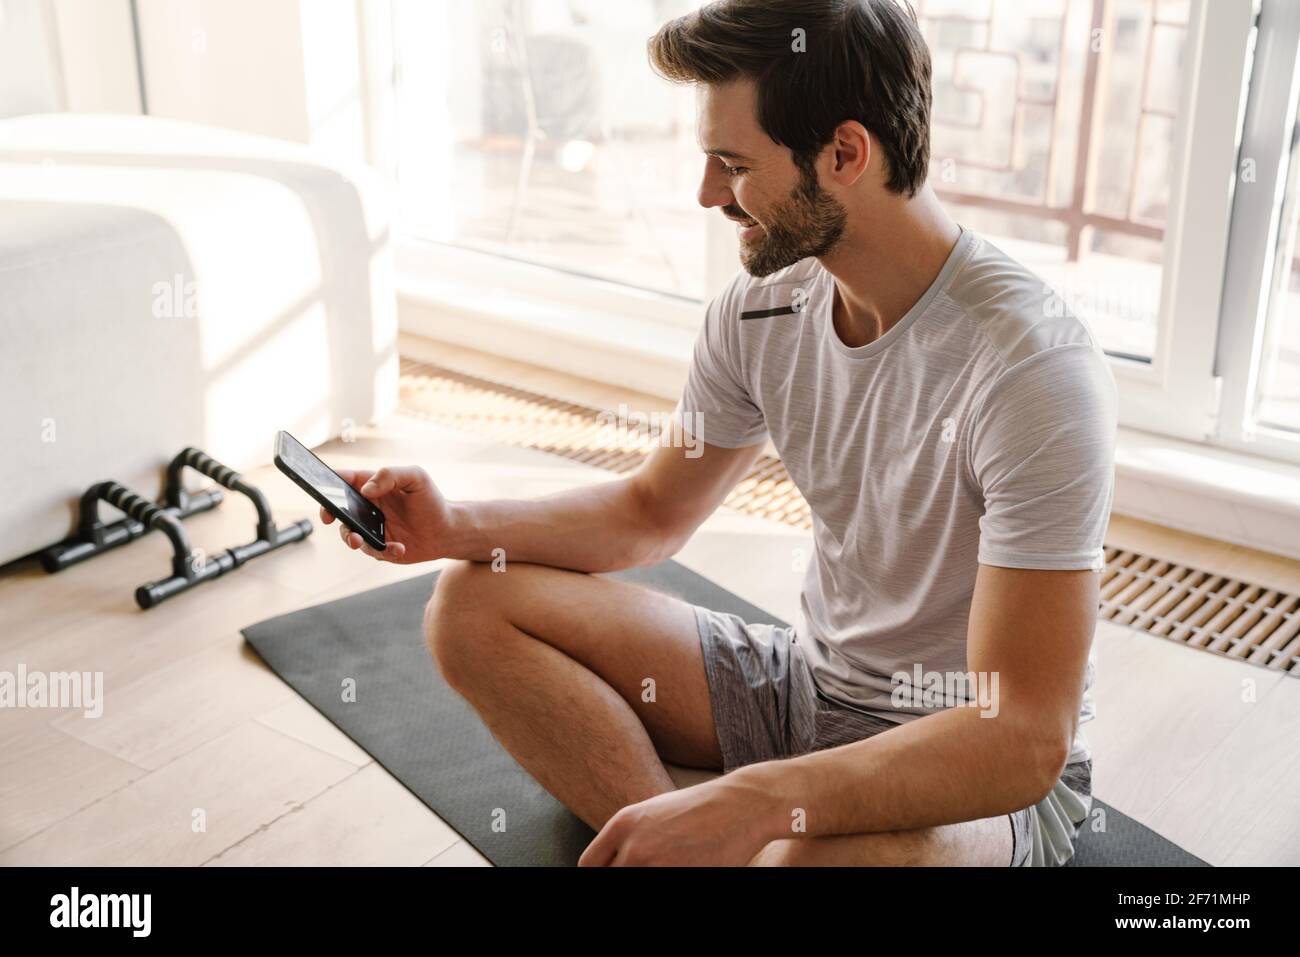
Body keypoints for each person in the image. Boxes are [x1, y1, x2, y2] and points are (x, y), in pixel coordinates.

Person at [323, 0, 1116, 866]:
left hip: (971, 767)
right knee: (471, 605)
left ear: (845, 154)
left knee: (815, 858)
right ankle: (685, 838)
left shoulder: (1034, 369)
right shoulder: (762, 310)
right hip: (806, 690)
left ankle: (725, 834)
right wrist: (453, 526)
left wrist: (761, 799)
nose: (707, 194)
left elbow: (1022, 737)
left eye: (732, 165)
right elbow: (648, 513)